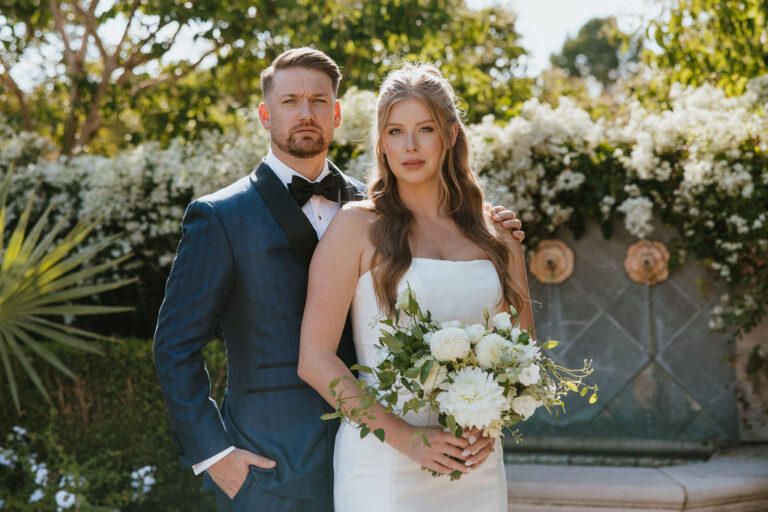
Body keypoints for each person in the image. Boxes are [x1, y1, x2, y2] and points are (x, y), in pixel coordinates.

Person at [154, 48, 524, 512]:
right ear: (266, 114)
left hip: (377, 450)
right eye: (290, 101)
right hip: (276, 469)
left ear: (337, 113)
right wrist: (215, 457)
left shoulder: (374, 209)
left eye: (318, 101)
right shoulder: (221, 217)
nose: (305, 113)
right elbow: (174, 346)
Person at [298, 62, 535, 511]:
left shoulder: (498, 235)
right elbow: (314, 359)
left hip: (474, 460)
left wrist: (489, 425)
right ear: (381, 142)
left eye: (424, 129)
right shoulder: (355, 227)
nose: (409, 146)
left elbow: (523, 350)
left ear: (449, 134)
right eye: (395, 131)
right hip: (384, 462)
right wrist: (405, 438)